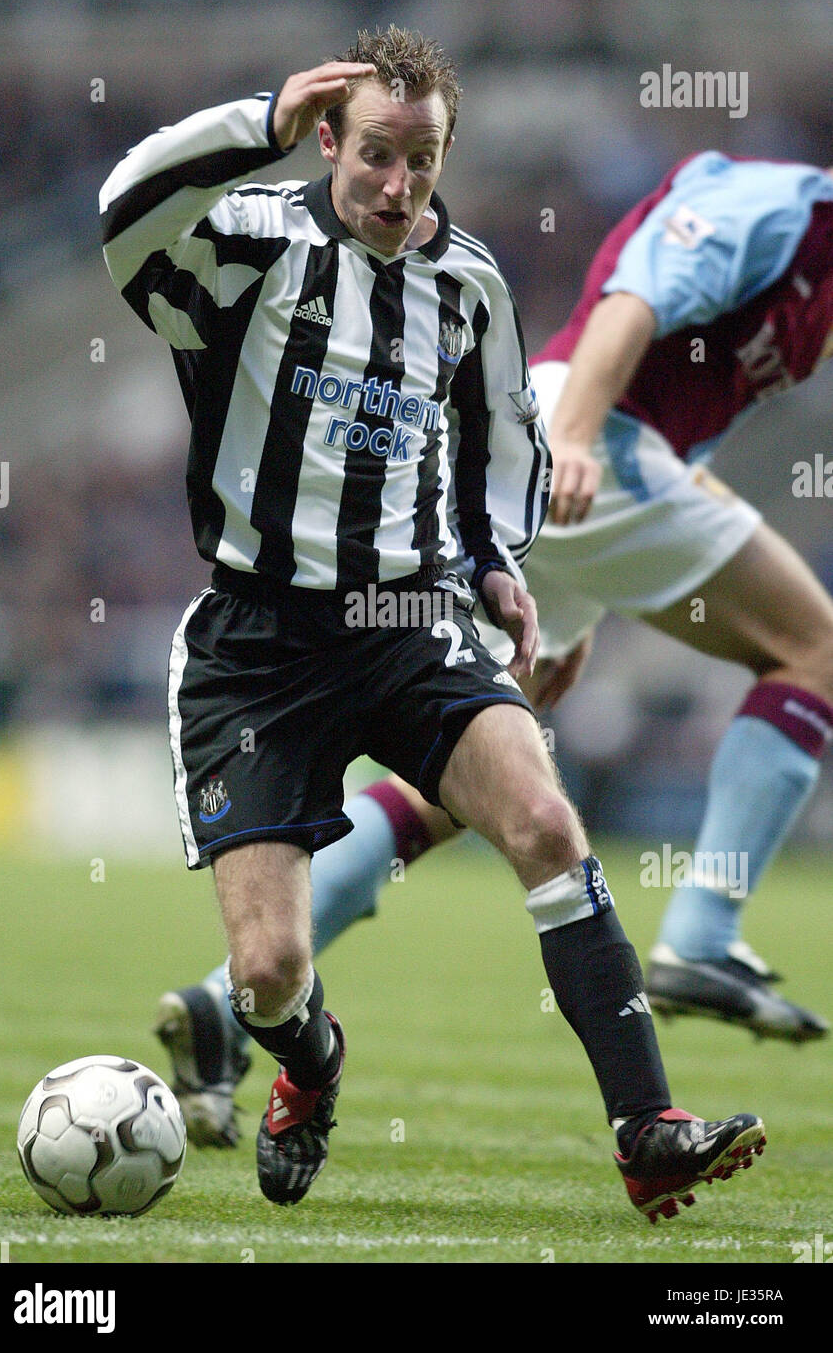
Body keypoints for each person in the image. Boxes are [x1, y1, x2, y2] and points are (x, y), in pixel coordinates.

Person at [102, 27, 764, 1220]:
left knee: (545, 823)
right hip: (255, 648)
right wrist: (248, 120)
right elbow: (122, 209)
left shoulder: (468, 281)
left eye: (422, 159)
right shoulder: (252, 246)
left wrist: (497, 563)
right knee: (265, 974)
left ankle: (646, 1127)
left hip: (412, 618)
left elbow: (501, 442)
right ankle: (309, 1060)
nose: (399, 188)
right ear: (325, 139)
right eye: (375, 156)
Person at [161, 152, 833, 1142]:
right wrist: (585, 437)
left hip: (595, 463)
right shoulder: (785, 204)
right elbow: (635, 292)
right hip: (581, 437)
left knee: (465, 791)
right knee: (812, 647)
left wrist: (584, 597)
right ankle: (702, 933)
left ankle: (228, 1000)